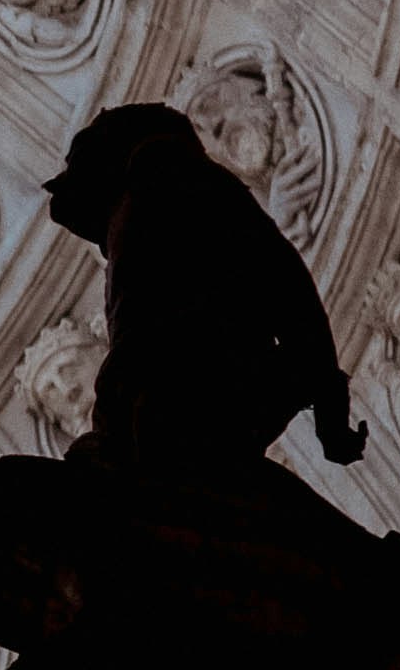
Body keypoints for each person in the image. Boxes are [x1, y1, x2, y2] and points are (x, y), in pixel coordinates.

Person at [42, 105, 364, 479]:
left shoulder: (146, 200)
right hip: (226, 399)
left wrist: (106, 434)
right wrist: (329, 406)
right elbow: (291, 292)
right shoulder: (185, 188)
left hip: (189, 406)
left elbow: (134, 341)